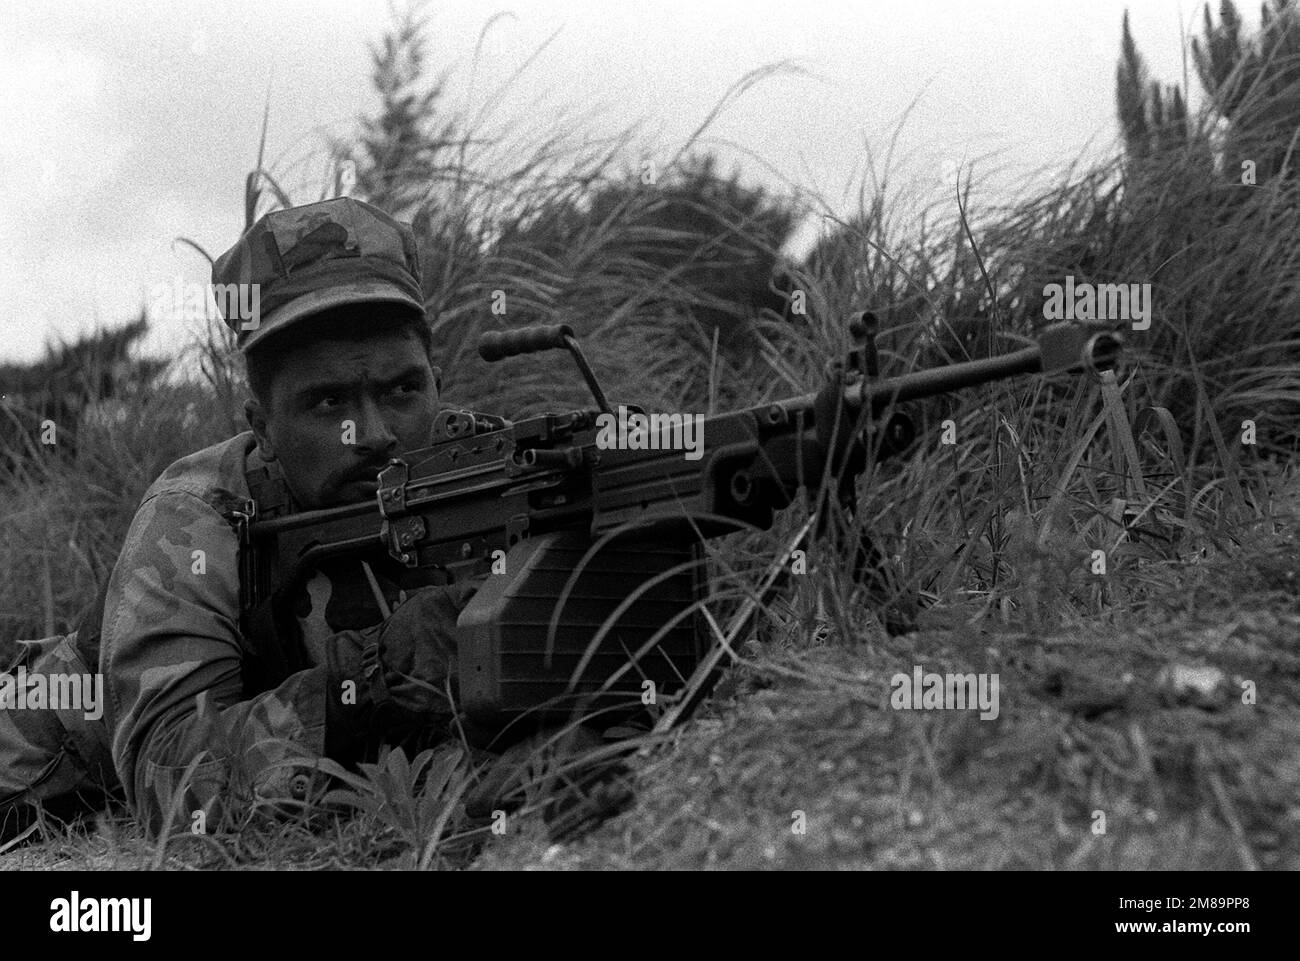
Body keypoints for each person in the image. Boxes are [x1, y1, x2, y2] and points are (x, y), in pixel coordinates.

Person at [97, 197, 501, 832]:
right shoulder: (194, 520)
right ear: (262, 428)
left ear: (437, 384)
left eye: (402, 391)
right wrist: (376, 681)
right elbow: (169, 785)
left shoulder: (498, 472)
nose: (373, 434)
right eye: (328, 401)